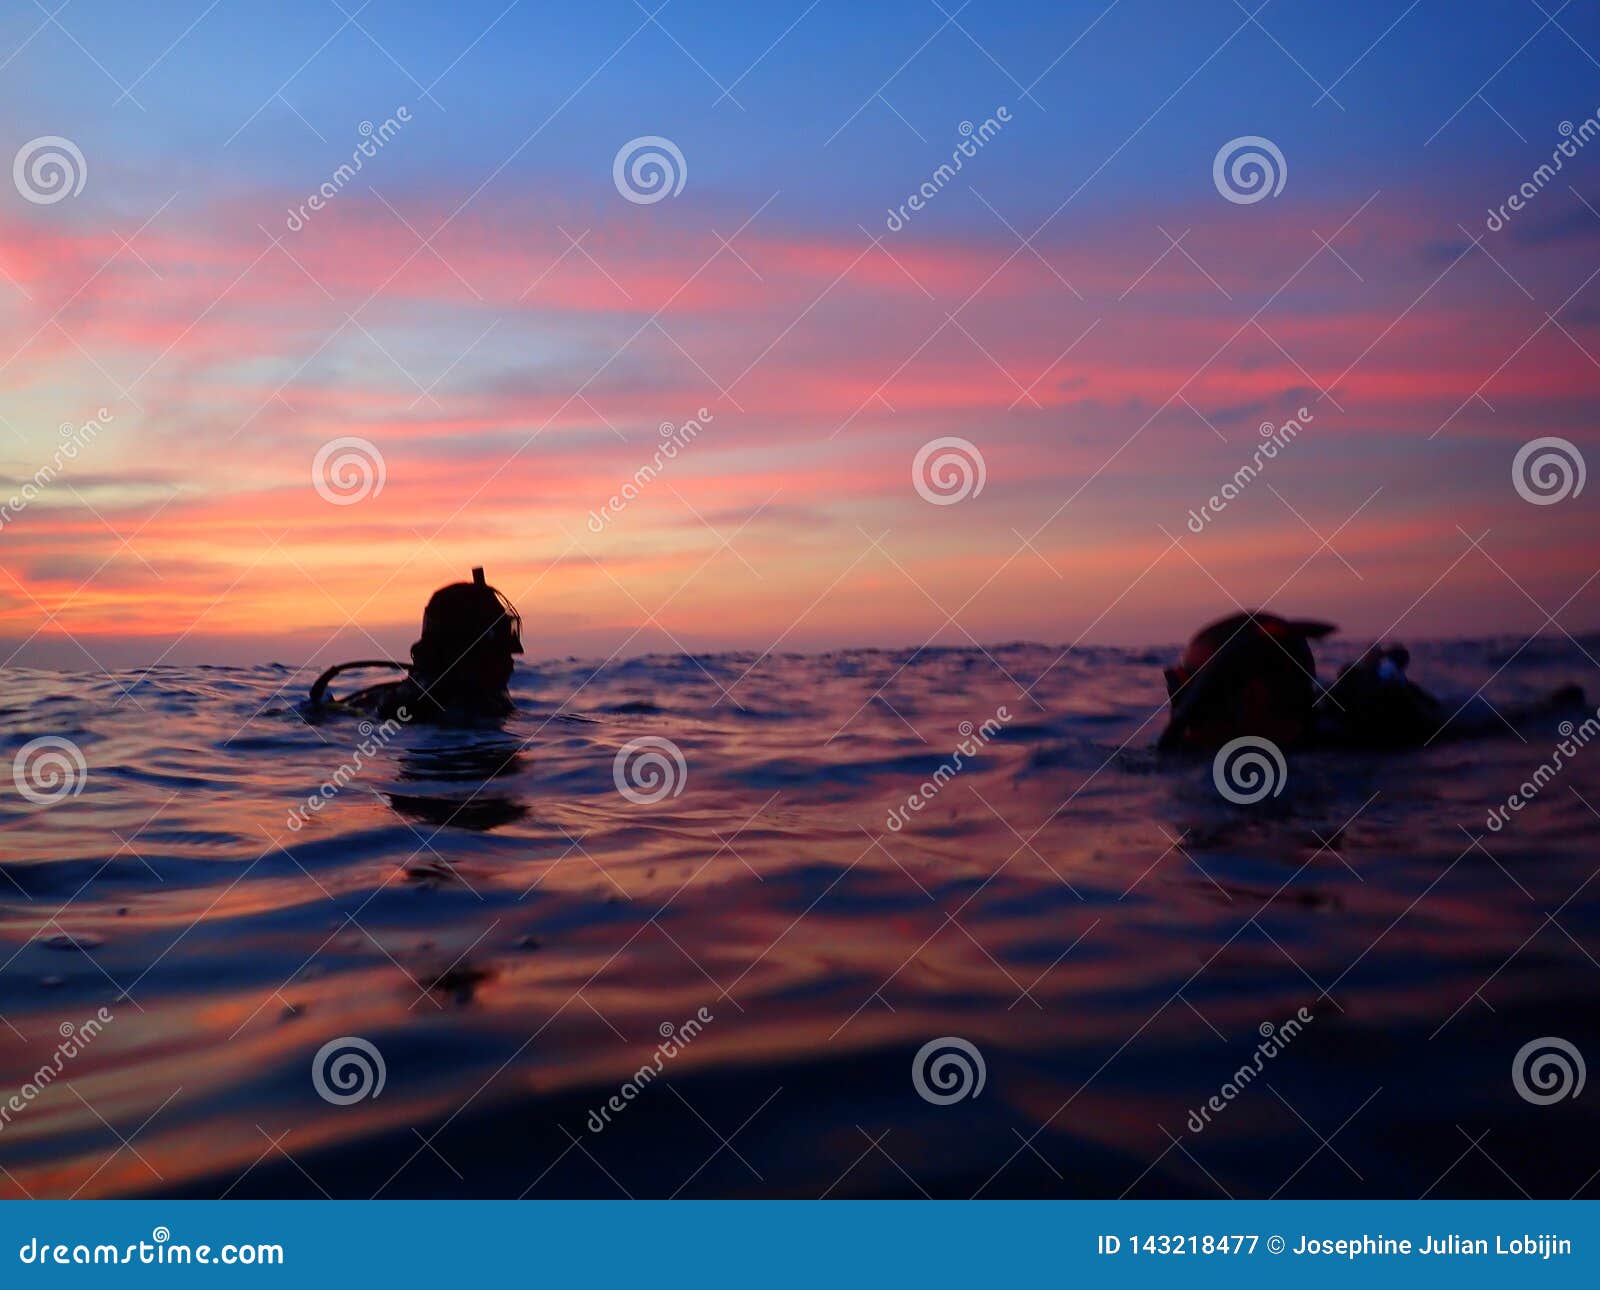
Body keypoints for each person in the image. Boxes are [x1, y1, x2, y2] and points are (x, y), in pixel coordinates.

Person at [308, 568, 522, 721]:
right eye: (499, 645)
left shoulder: (480, 695)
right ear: (463, 647)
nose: (512, 657)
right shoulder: (454, 706)